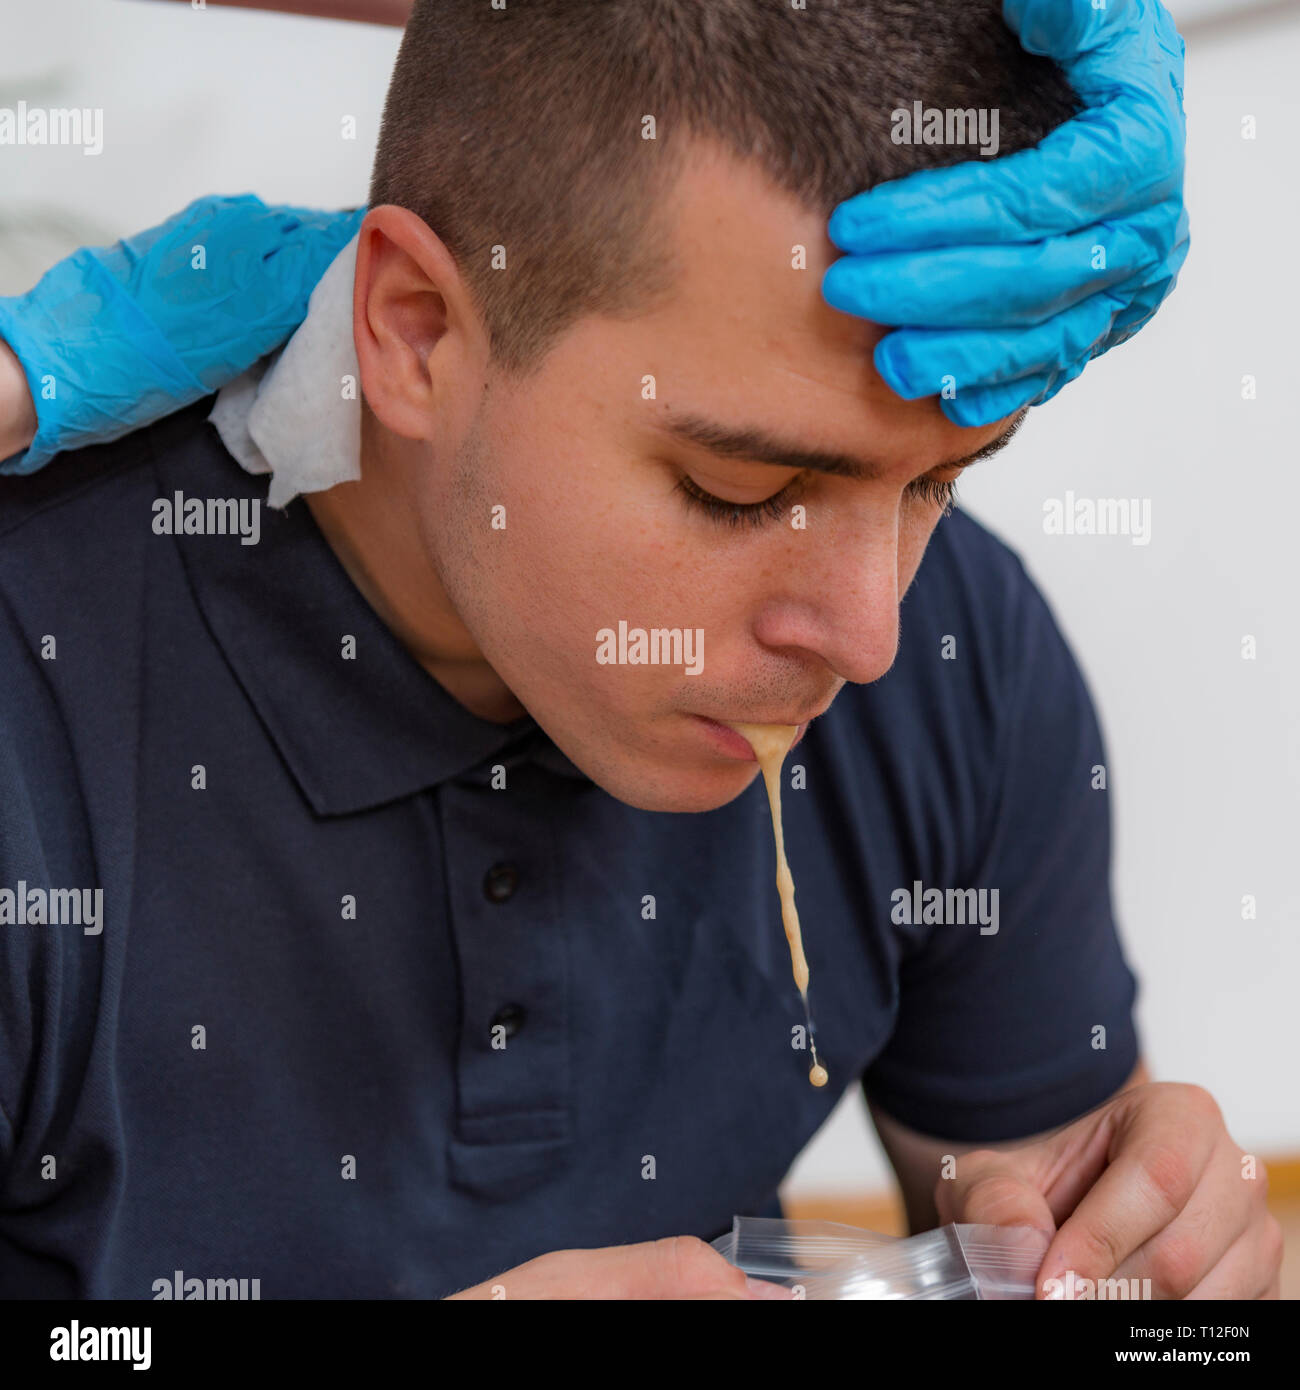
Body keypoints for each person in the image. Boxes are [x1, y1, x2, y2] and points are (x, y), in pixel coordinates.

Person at [0, 0, 1278, 1301]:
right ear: (414, 327)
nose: (866, 635)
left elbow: (1037, 1202)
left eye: (935, 484)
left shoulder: (960, 652)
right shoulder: (37, 721)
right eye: (740, 487)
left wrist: (1158, 1270)